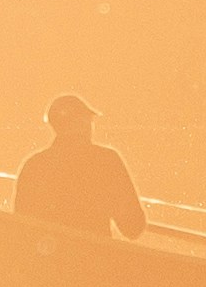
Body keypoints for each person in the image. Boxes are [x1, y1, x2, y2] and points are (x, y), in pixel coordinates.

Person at [11, 92, 147, 239]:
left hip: (46, 258)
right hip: (92, 257)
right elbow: (133, 228)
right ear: (83, 123)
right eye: (89, 120)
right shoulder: (106, 161)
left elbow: (21, 228)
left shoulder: (33, 166)